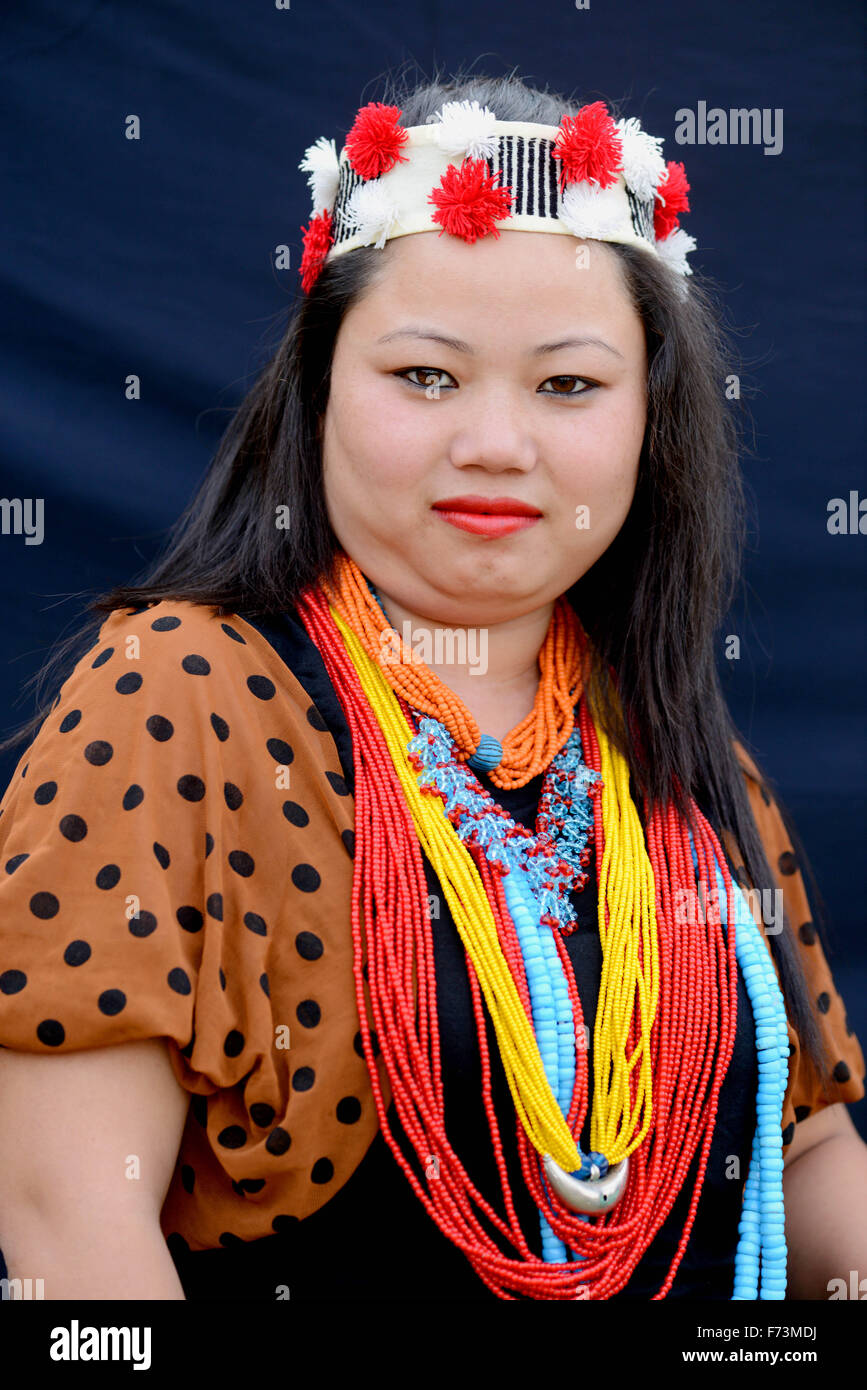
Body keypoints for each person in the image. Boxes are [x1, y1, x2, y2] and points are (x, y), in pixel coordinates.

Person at [0, 68, 864, 1303]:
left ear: (649, 422)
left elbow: (814, 1145)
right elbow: (67, 1221)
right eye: (425, 376)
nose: (497, 443)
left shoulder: (680, 751)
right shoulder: (182, 702)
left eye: (569, 384)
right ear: (317, 389)